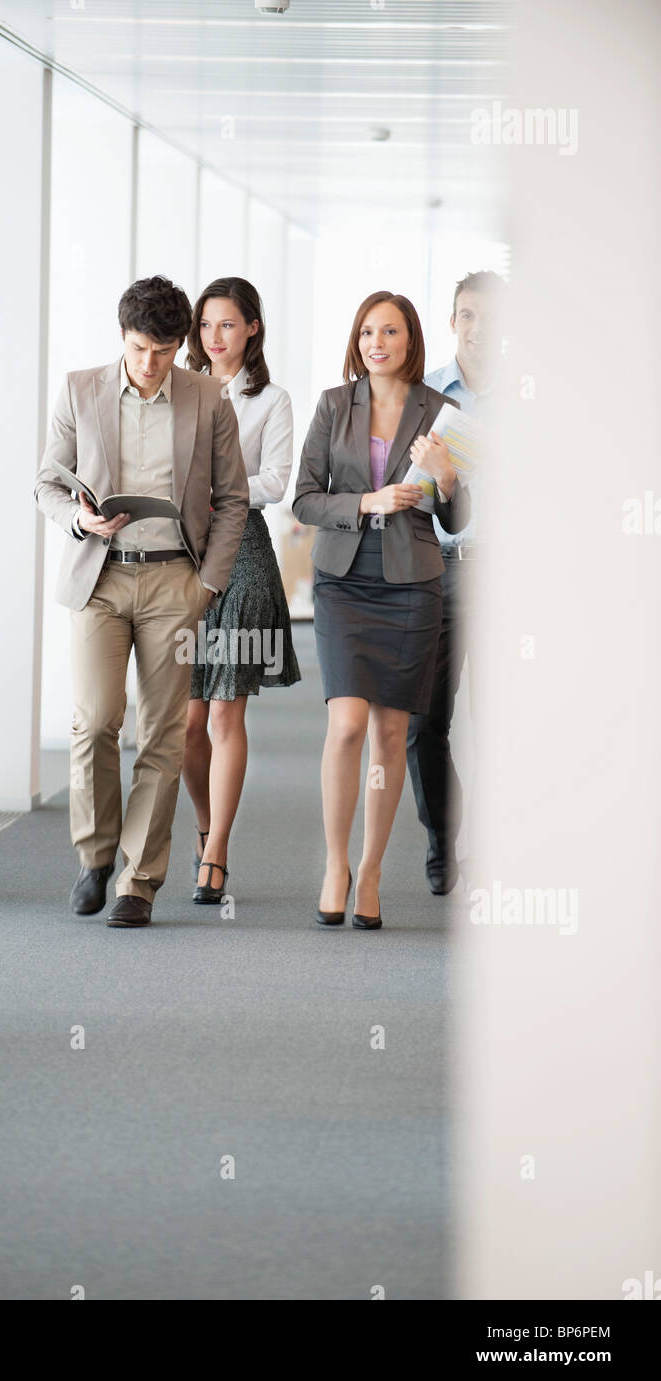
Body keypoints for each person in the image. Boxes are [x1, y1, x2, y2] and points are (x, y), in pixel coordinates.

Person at [34, 275, 249, 928]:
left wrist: (206, 582)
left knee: (161, 733)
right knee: (96, 720)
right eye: (136, 349)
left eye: (161, 351)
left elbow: (234, 499)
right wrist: (80, 520)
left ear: (179, 345)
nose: (149, 364)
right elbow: (46, 482)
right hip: (99, 577)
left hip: (172, 583)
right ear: (121, 338)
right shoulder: (80, 390)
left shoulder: (208, 398)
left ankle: (139, 880)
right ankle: (96, 854)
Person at [292, 291, 471, 930]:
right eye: (367, 331)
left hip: (411, 583)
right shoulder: (334, 405)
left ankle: (370, 872)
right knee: (346, 725)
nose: (377, 342)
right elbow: (305, 501)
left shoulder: (441, 411)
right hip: (343, 581)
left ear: (409, 340)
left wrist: (445, 477)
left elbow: (456, 516)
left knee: (390, 733)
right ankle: (335, 863)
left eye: (390, 331)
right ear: (357, 340)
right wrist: (367, 502)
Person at [181, 277, 301, 905]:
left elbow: (278, 481)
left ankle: (219, 849)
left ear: (252, 328)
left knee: (225, 708)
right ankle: (204, 826)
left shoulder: (271, 399)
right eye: (206, 326)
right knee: (186, 721)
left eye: (227, 324)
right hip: (180, 555)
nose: (215, 337)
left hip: (243, 551)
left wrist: (217, 492)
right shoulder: (179, 389)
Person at [407, 270, 505, 894]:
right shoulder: (424, 398)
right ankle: (444, 840)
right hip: (437, 571)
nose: (478, 328)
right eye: (467, 315)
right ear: (453, 321)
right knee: (425, 722)